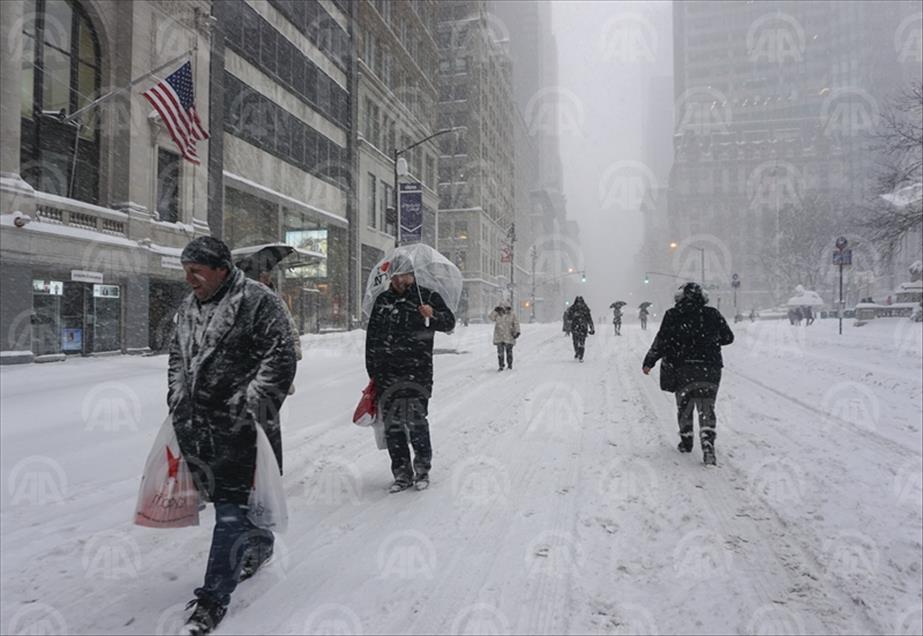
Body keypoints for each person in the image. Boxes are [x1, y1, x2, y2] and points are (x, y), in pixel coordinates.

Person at [168, 237, 296, 635]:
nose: (189, 278)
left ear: (221, 269)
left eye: (196, 270)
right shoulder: (189, 307)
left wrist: (248, 405)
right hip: (199, 426)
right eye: (185, 270)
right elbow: (177, 358)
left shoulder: (259, 301)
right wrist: (176, 397)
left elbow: (281, 356)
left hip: (244, 428)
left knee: (230, 509)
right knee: (237, 503)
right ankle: (258, 546)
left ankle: (212, 599)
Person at [365, 255, 456, 493]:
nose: (397, 279)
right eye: (394, 275)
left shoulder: (427, 297)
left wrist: (432, 314)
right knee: (393, 427)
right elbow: (372, 337)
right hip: (387, 375)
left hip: (418, 371)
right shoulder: (383, 300)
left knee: (416, 423)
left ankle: (422, 468)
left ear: (412, 275)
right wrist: (373, 370)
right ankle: (402, 473)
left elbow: (449, 324)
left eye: (402, 274)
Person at [642, 283, 734, 466]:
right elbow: (728, 337)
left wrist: (649, 361)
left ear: (680, 297)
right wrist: (708, 341)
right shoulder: (713, 314)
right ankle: (708, 445)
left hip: (682, 367)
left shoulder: (673, 315)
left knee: (685, 404)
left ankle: (686, 440)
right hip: (710, 368)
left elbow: (662, 341)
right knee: (707, 406)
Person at [259, 269, 303, 383]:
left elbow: (290, 327)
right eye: (262, 276)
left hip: (275, 368)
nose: (267, 278)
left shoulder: (277, 301)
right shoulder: (245, 304)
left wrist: (294, 349)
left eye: (267, 276)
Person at [489, 300, 520, 371]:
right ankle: (501, 365)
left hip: (509, 335)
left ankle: (509, 365)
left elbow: (516, 323)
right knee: (500, 352)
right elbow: (491, 317)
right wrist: (495, 311)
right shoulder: (497, 314)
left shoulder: (512, 314)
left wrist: (517, 332)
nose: (503, 310)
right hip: (499, 335)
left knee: (509, 351)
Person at [564, 296, 594, 361]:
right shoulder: (584, 308)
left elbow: (569, 318)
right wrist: (592, 328)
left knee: (578, 341)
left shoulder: (574, 308)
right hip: (581, 327)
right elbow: (589, 319)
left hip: (577, 327)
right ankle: (579, 353)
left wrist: (592, 328)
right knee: (579, 341)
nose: (579, 304)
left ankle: (579, 354)